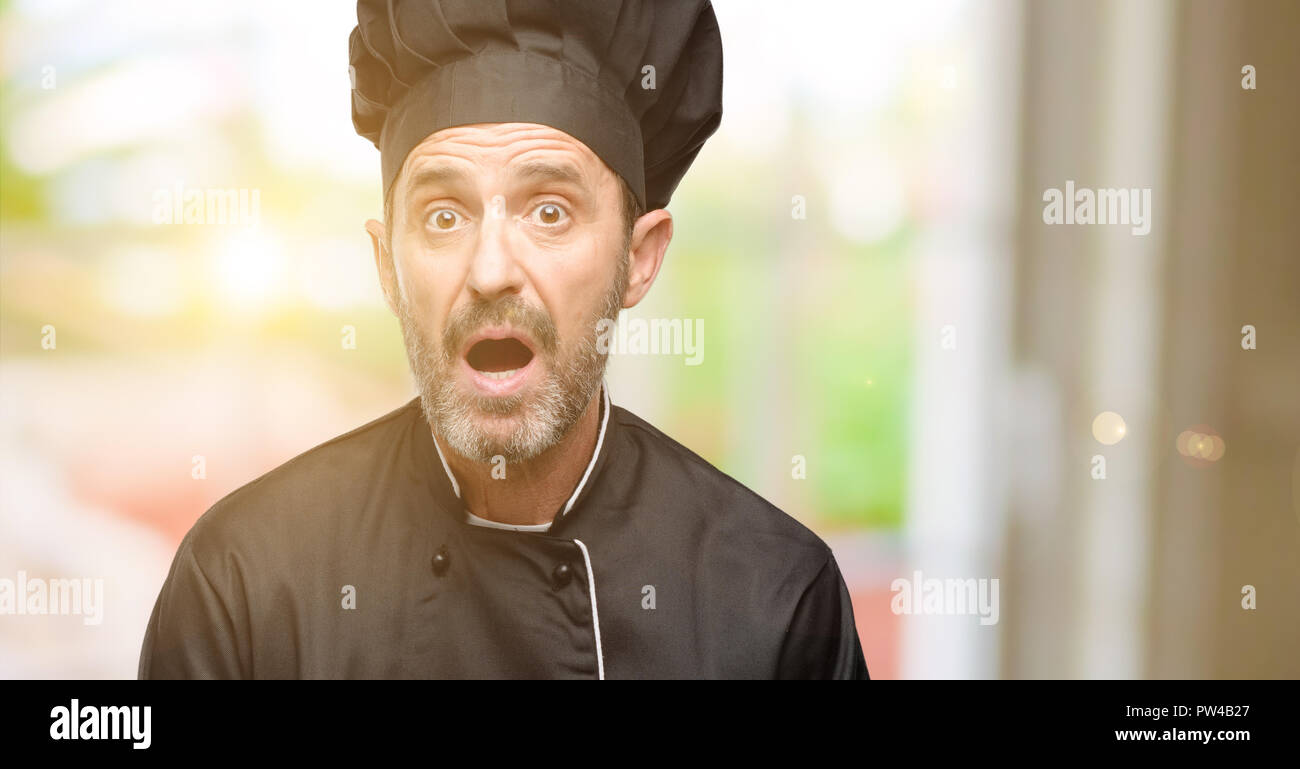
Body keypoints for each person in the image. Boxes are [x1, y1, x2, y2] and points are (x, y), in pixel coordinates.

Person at [138, 0, 869, 679]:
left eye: (549, 210)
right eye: (444, 215)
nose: (490, 271)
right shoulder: (243, 583)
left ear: (639, 258)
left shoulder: (774, 603)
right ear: (387, 267)